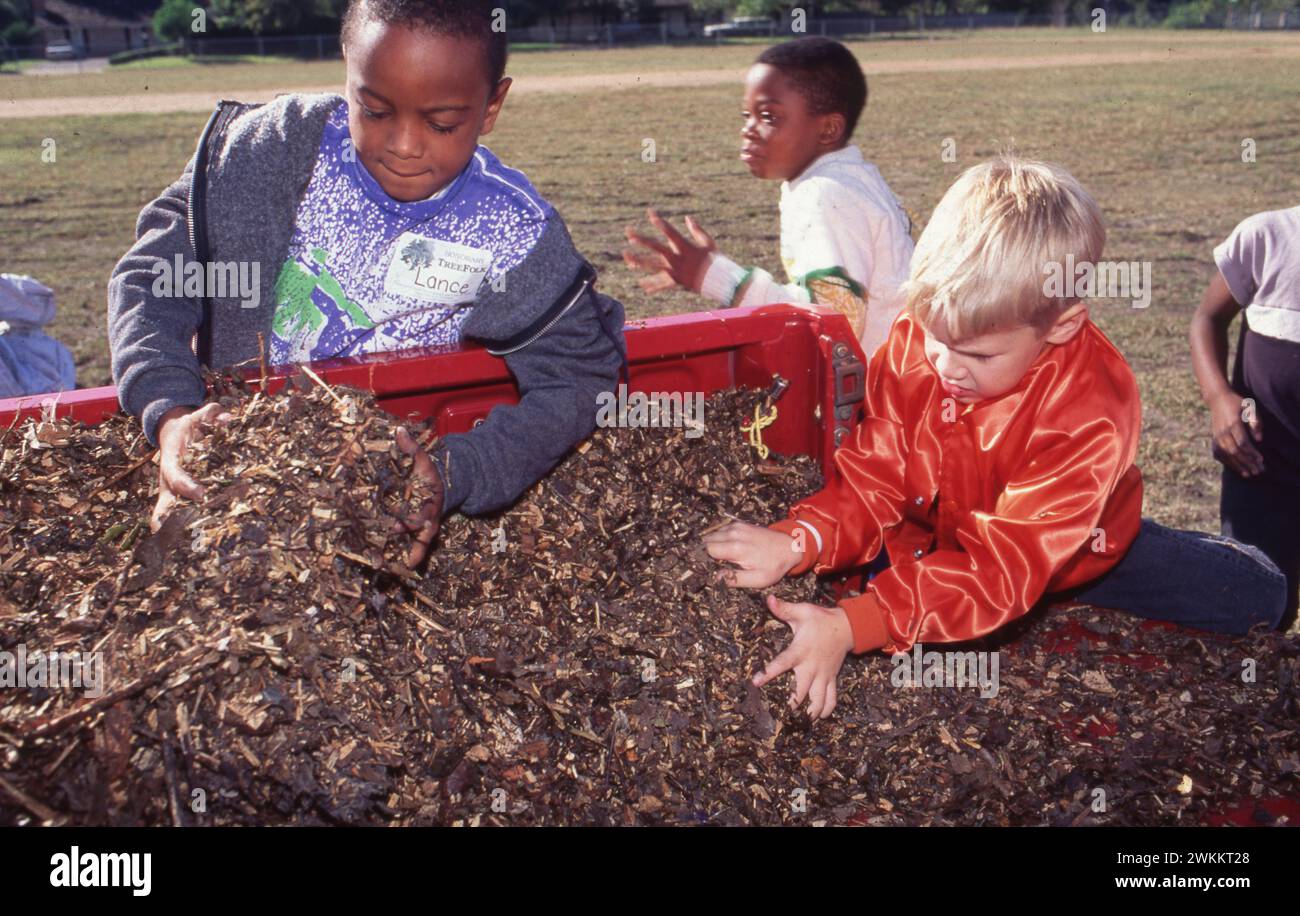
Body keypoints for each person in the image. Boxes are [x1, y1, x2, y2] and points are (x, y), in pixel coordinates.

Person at [704, 155, 1287, 718]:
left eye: (978, 354)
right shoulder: (919, 344)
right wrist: (798, 539)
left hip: (1073, 546)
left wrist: (854, 624)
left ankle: (1229, 563)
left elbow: (1002, 567)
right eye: (935, 335)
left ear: (1060, 326)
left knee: (1255, 595)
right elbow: (873, 477)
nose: (945, 365)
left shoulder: (1089, 411)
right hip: (940, 529)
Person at [108, 0, 626, 563]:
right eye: (375, 110)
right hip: (235, 460)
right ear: (347, 71)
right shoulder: (271, 152)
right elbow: (154, 278)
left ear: (492, 105)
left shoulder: (510, 231)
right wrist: (170, 410)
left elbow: (580, 375)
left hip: (380, 493)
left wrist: (454, 473)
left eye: (442, 123)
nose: (403, 145)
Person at [623, 37, 913, 360]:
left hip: (883, 394)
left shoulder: (824, 193)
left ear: (828, 130)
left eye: (769, 117)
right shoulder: (854, 178)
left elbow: (837, 322)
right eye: (746, 114)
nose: (748, 129)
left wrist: (718, 277)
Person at [1190, 205, 1300, 629]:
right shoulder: (1267, 238)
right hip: (1260, 466)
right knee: (1258, 607)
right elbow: (1207, 318)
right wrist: (1220, 398)